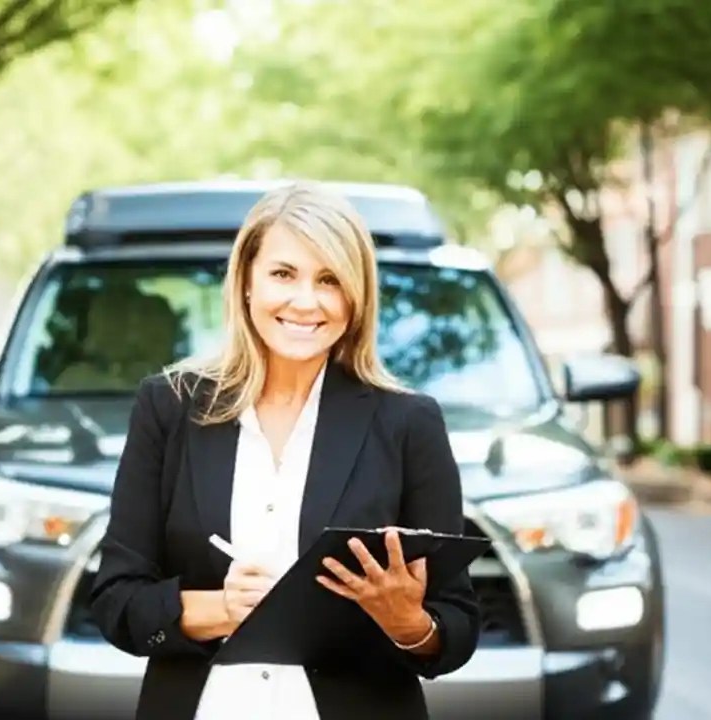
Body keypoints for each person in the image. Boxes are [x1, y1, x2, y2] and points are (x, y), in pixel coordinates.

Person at [89, 181, 480, 720]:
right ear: (246, 282)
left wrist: (407, 622)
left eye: (329, 279)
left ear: (356, 295)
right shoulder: (169, 407)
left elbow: (456, 626)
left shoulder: (409, 423)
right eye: (283, 274)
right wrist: (221, 609)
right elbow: (116, 601)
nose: (305, 301)